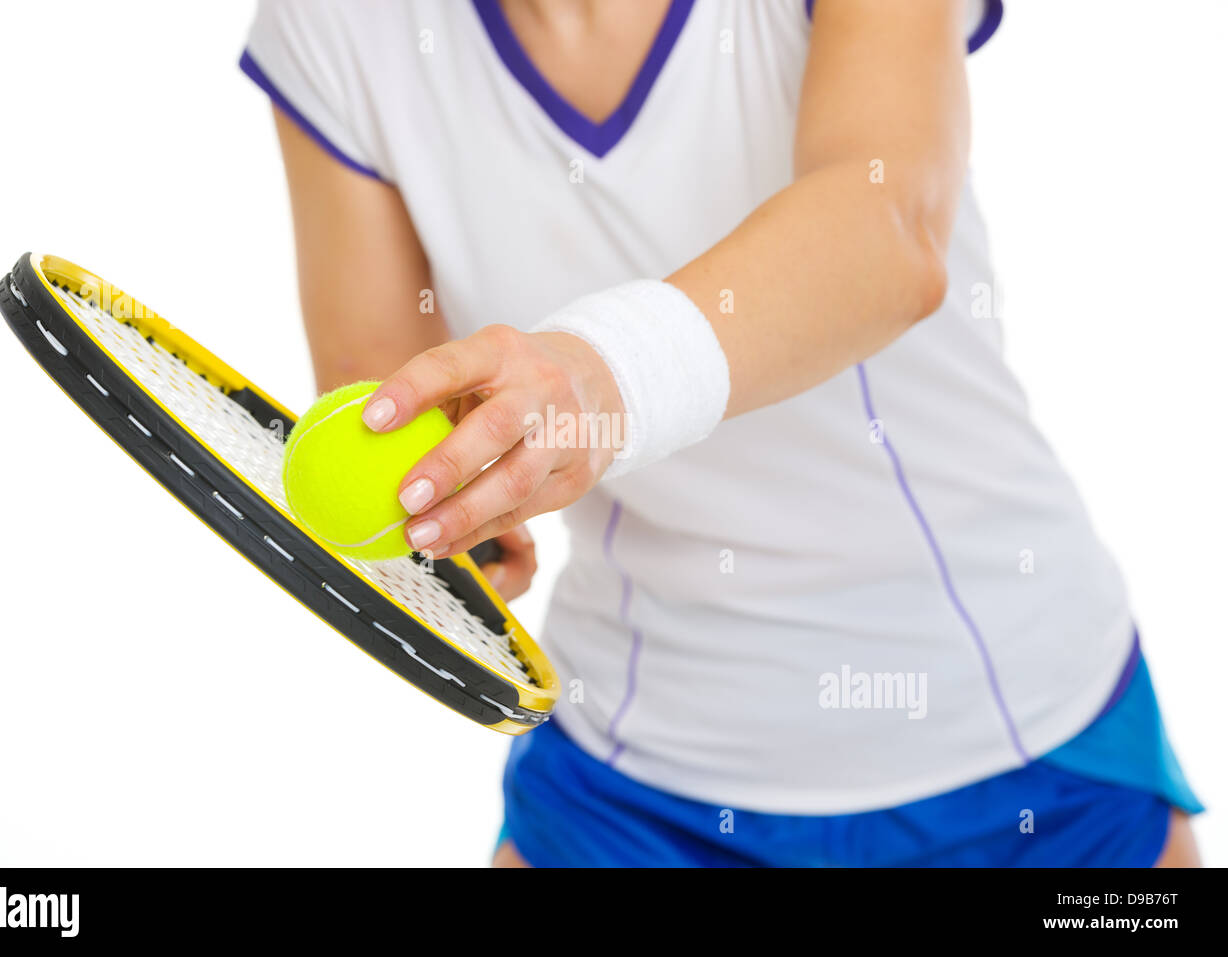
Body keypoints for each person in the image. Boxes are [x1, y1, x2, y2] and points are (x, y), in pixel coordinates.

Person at [241, 0, 1202, 866]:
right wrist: (459, 516)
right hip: (627, 777)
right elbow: (399, 412)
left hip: (1018, 744)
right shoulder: (332, 28)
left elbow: (889, 227)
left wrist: (597, 375)